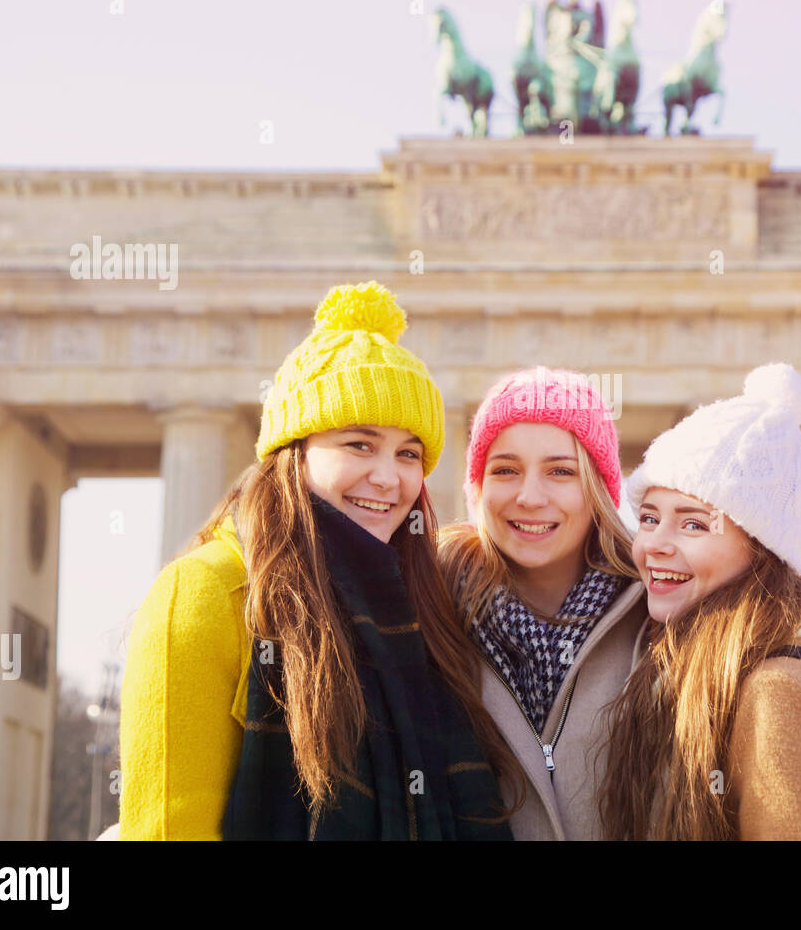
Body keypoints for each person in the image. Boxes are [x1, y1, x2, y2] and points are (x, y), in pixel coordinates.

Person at [118, 282, 515, 840]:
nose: (388, 477)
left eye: (408, 454)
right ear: (295, 451)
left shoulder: (418, 610)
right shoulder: (207, 593)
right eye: (359, 444)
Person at [600, 363, 801, 840]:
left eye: (694, 524)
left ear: (762, 550)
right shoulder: (718, 677)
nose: (654, 543)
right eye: (649, 518)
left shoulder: (778, 694)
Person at [437, 366, 644, 840]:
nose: (530, 497)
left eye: (560, 472)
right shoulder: (428, 617)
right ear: (479, 489)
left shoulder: (664, 621)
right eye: (505, 470)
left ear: (597, 492)